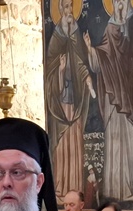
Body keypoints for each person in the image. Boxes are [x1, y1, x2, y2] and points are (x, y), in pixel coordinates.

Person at [85, 0, 133, 202]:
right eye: (116, 0)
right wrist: (91, 50)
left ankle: (132, 191)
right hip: (113, 96)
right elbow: (102, 59)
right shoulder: (109, 27)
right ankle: (113, 190)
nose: (119, 3)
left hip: (131, 94)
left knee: (130, 141)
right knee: (113, 141)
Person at [45, 0, 95, 199]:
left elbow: (81, 63)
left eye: (71, 8)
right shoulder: (56, 37)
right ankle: (60, 188)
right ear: (60, 10)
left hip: (74, 101)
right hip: (60, 104)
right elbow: (49, 67)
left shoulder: (76, 35)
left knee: (75, 144)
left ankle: (75, 188)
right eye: (65, 8)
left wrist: (88, 82)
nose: (69, 12)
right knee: (62, 146)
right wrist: (61, 69)